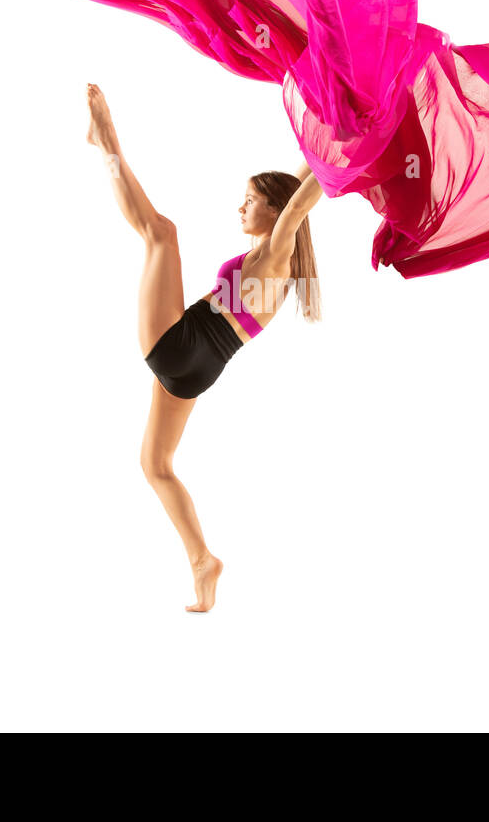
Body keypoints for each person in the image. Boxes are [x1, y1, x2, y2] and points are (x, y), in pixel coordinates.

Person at [85, 83, 324, 612]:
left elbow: (305, 196)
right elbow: (306, 177)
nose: (240, 205)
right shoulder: (273, 263)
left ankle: (106, 145)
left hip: (186, 344)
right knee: (155, 464)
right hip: (198, 368)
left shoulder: (278, 255)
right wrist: (329, 132)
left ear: (276, 212)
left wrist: (345, 155)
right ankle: (201, 560)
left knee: (160, 233)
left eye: (251, 199)